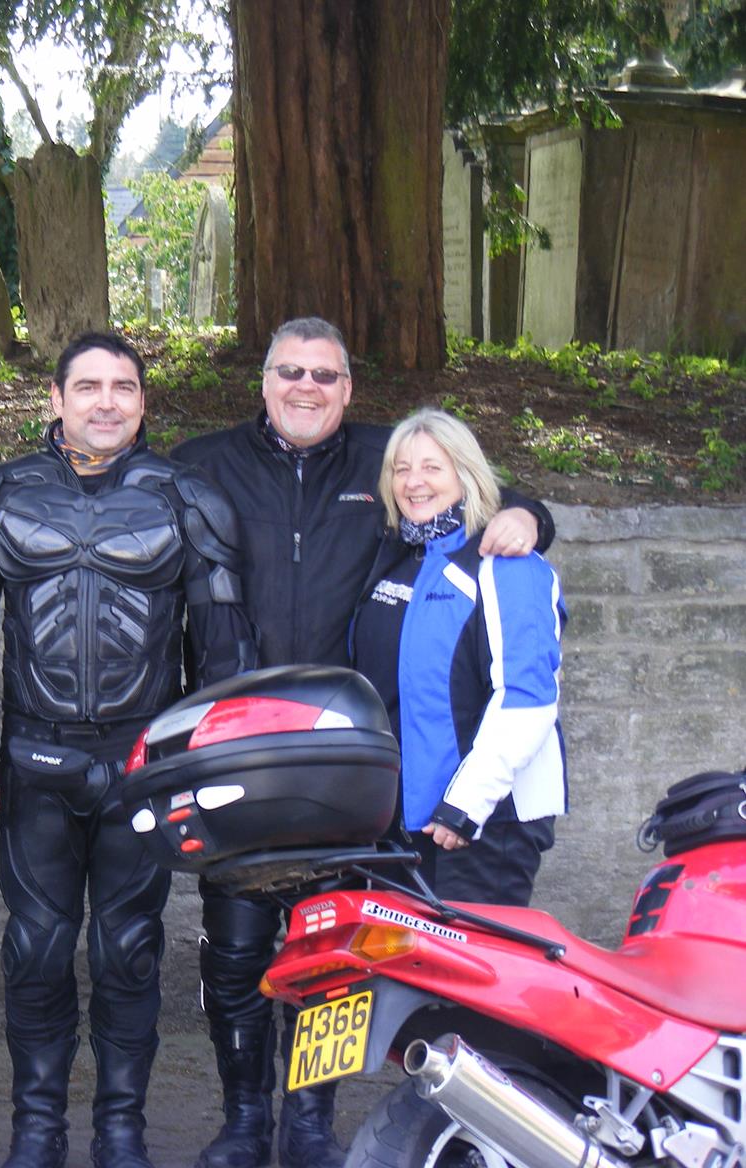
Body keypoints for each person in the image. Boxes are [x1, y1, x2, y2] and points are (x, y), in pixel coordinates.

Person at [171, 316, 556, 1168]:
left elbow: (488, 497)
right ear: (262, 381)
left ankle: (309, 1124)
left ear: (347, 389)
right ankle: (243, 1122)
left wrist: (529, 515)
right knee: (234, 949)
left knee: (332, 955)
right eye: (289, 372)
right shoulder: (201, 464)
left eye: (324, 375)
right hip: (237, 747)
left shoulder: (387, 460)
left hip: (343, 765)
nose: (305, 387)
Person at [0, 332, 256, 1168]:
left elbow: (224, 655)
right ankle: (35, 1132)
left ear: (143, 402)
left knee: (129, 953)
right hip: (35, 763)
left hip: (140, 765)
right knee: (34, 952)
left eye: (123, 386)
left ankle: (121, 1132)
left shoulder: (188, 502)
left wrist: (203, 766)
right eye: (87, 386)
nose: (105, 401)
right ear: (55, 399)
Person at [352, 407, 565, 905]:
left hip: (479, 826)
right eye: (401, 469)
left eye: (432, 467)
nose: (414, 482)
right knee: (399, 960)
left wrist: (466, 805)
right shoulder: (398, 559)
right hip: (400, 821)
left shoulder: (508, 567)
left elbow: (528, 698)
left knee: (469, 958)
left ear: (465, 473)